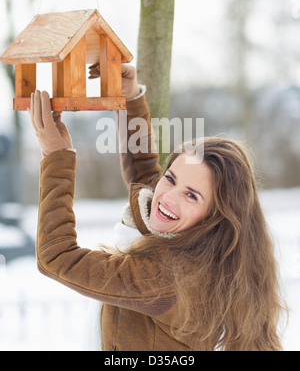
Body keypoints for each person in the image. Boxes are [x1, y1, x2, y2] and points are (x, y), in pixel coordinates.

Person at [29, 65, 285, 351]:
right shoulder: (200, 244)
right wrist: (129, 98)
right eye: (171, 178)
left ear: (216, 216)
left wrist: (56, 156)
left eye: (191, 196)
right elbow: (145, 174)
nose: (167, 198)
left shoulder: (170, 276)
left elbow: (57, 257)